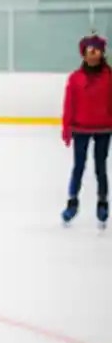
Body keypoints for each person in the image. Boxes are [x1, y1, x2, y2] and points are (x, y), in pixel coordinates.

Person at [61, 32, 112, 227]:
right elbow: (69, 105)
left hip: (104, 128)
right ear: (84, 54)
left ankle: (102, 202)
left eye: (97, 51)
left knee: (101, 167)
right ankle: (72, 202)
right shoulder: (75, 79)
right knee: (78, 167)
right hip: (81, 128)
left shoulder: (109, 77)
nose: (94, 54)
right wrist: (67, 129)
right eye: (90, 51)